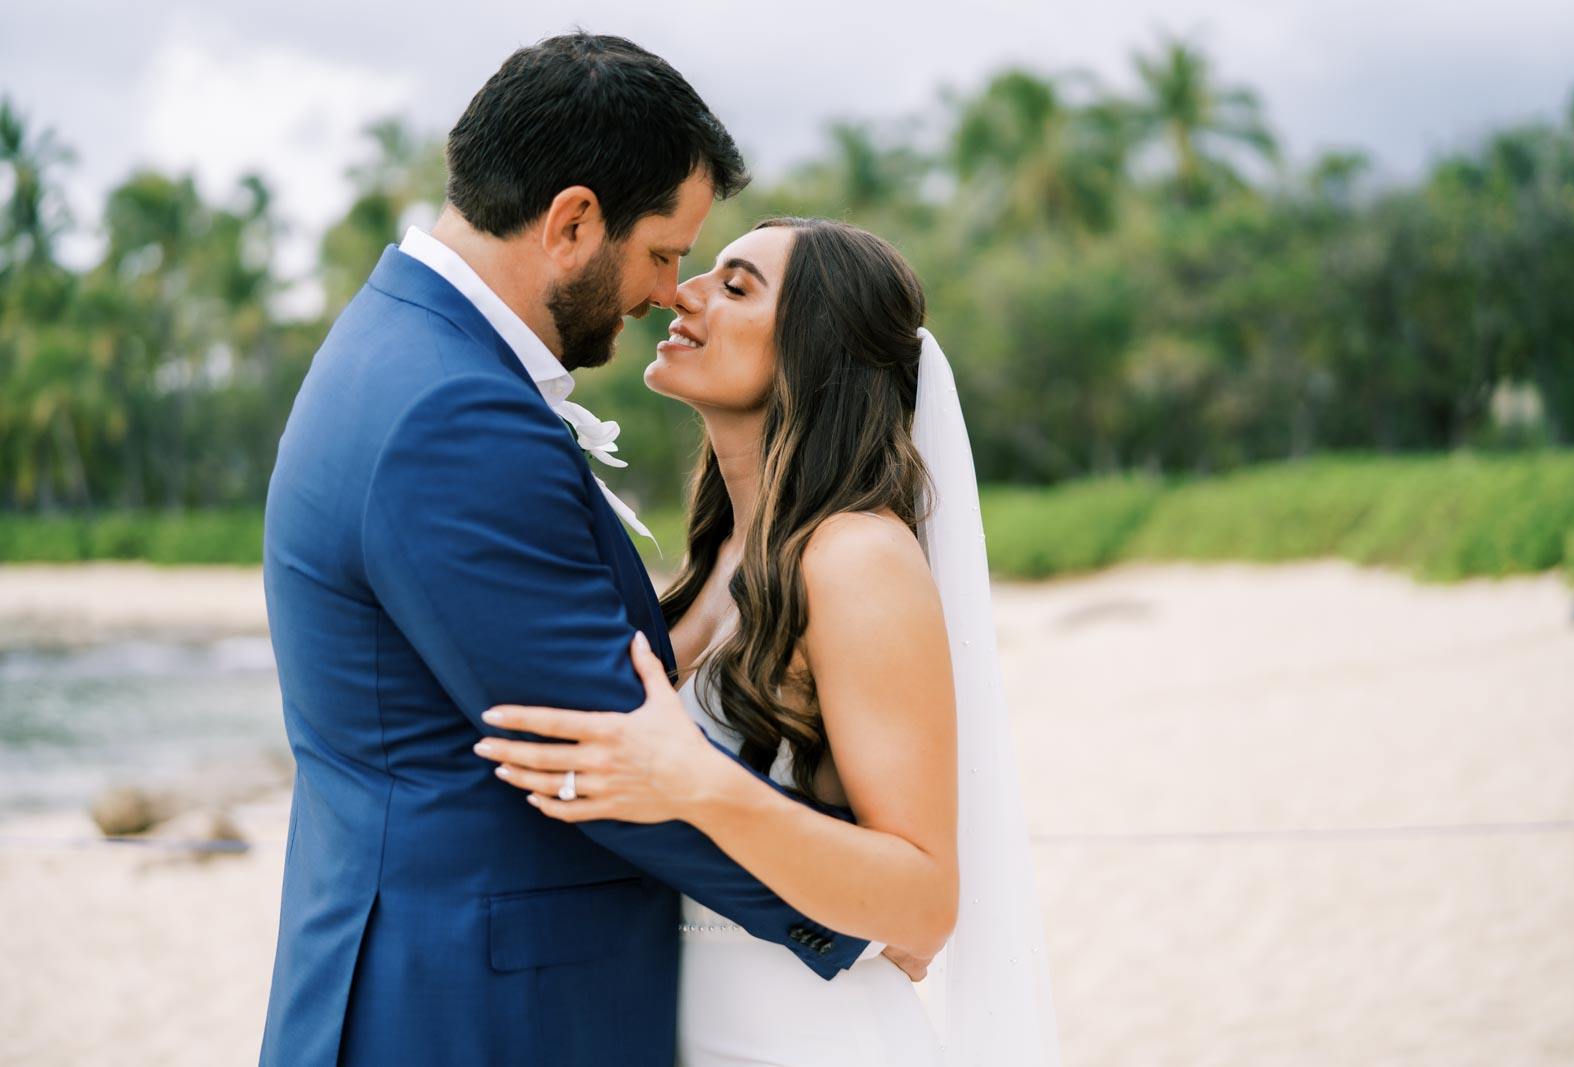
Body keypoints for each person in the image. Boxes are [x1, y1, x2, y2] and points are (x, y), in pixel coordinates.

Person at [259, 34, 899, 1066]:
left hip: (435, 977)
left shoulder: (404, 351)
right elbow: (600, 753)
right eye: (664, 252)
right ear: (572, 223)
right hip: (470, 1015)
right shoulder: (455, 410)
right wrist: (863, 911)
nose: (668, 291)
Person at [474, 218, 1063, 1065]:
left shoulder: (856, 555)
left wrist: (697, 781)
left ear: (811, 350)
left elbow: (924, 900)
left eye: (734, 285)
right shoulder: (715, 558)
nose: (682, 293)